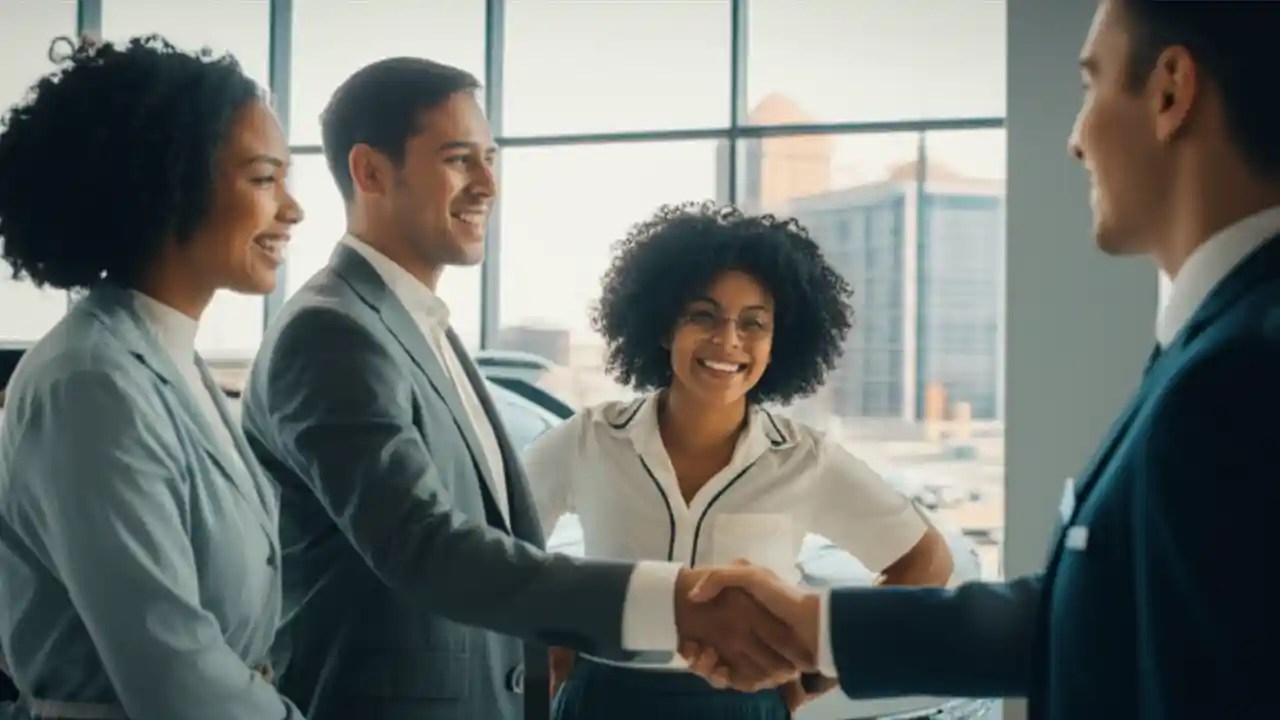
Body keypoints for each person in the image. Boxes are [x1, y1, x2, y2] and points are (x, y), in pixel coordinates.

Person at [686, 1, 1280, 718]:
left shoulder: (1243, 370)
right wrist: (818, 631)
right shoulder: (1216, 342)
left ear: (1170, 91)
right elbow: (1096, 618)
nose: (1076, 140)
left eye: (1091, 85)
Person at [240, 58, 810, 720]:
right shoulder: (331, 334)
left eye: (489, 158)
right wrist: (676, 605)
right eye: (459, 160)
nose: (488, 184)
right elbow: (427, 548)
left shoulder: (420, 329)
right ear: (370, 171)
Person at [522, 202, 954, 720]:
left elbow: (926, 563)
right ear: (663, 328)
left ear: (778, 344)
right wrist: (546, 641)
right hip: (603, 699)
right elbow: (493, 547)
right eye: (703, 316)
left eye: (754, 324)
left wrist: (815, 670)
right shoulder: (587, 440)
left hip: (744, 709)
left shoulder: (805, 459)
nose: (728, 340)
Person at [0, 35, 304, 719]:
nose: (292, 209)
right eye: (263, 179)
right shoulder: (89, 383)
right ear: (168, 182)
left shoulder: (173, 362)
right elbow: (175, 673)